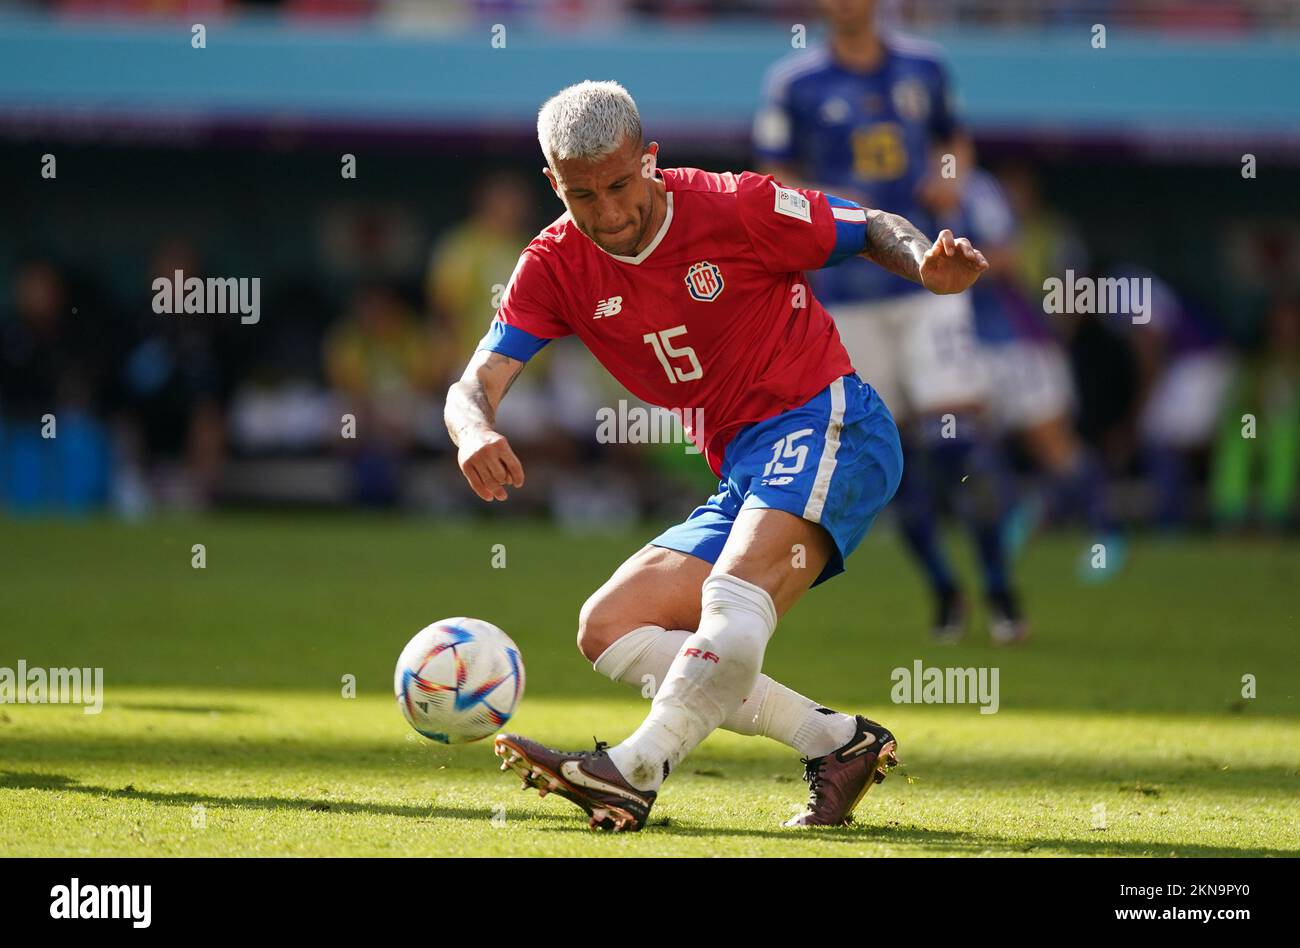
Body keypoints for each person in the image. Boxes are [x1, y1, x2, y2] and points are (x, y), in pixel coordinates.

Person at [443, 80, 988, 832]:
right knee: (609, 627)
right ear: (552, 183)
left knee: (733, 605)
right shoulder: (555, 265)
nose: (607, 214)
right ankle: (836, 742)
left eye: (620, 185)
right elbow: (475, 381)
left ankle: (633, 772)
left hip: (827, 421)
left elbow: (867, 225)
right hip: (744, 470)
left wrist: (925, 262)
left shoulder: (738, 206)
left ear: (651, 160)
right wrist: (474, 430)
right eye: (580, 194)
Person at [754, 0, 1026, 643]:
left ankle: (1001, 588)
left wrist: (949, 175)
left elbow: (953, 141)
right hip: (846, 294)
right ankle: (944, 589)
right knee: (888, 453)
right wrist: (828, 212)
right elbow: (775, 172)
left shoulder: (924, 66)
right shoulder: (793, 84)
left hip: (924, 280)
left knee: (960, 441)